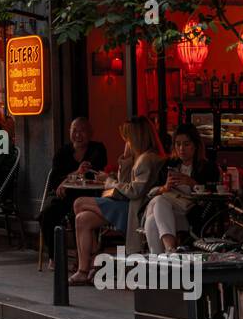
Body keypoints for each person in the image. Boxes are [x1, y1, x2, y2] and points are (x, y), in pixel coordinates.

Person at [70, 115, 164, 284]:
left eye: (127, 138)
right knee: (81, 219)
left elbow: (133, 191)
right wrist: (126, 158)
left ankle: (93, 256)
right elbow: (126, 181)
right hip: (125, 203)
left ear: (135, 137)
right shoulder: (141, 156)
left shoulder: (146, 160)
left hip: (132, 208)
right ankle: (84, 269)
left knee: (79, 203)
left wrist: (109, 181)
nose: (125, 141)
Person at [38, 117, 108, 266]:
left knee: (81, 215)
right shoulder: (62, 152)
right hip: (65, 196)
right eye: (74, 130)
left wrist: (68, 179)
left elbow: (93, 171)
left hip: (88, 195)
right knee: (47, 214)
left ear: (90, 133)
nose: (78, 134)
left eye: (82, 130)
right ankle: (54, 256)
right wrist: (75, 174)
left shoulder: (97, 149)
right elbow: (55, 181)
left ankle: (84, 257)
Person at [143, 122, 219, 254]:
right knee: (160, 202)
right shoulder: (169, 164)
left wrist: (192, 183)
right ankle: (170, 250)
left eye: (186, 144)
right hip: (167, 213)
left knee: (151, 220)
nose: (181, 148)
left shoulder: (207, 167)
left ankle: (161, 264)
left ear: (195, 146)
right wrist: (165, 187)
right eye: (178, 144)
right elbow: (150, 192)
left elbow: (213, 196)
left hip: (189, 216)